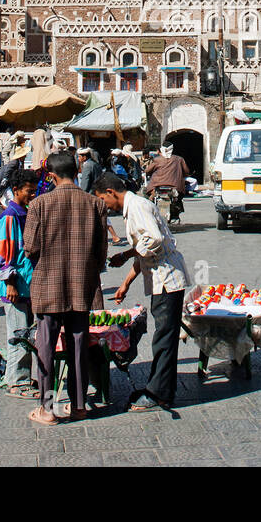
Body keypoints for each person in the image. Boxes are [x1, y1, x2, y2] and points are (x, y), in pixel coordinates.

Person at [22, 149, 108, 426]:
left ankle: (47, 409)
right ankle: (79, 405)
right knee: (79, 344)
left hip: (48, 284)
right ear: (77, 171)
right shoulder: (96, 204)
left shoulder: (39, 204)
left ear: (51, 176)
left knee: (45, 345)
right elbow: (101, 252)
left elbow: (30, 247)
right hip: (82, 285)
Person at [98, 172, 190, 412]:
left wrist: (128, 253)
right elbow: (144, 248)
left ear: (111, 192)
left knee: (164, 338)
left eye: (103, 200)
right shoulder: (133, 207)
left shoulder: (137, 206)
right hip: (160, 278)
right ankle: (158, 387)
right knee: (164, 336)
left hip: (167, 278)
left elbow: (154, 240)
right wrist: (126, 281)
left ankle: (159, 393)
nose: (104, 206)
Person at [0, 169, 41, 398]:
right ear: (16, 190)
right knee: (18, 333)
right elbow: (3, 253)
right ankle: (17, 382)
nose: (32, 195)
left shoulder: (24, 212)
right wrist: (10, 282)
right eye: (28, 191)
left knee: (25, 332)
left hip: (25, 283)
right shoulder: (10, 216)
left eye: (34, 190)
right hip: (15, 284)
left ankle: (19, 376)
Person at [145, 143, 189, 224]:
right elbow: (186, 172)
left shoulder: (157, 159)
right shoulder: (179, 159)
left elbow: (147, 171)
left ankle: (150, 214)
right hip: (175, 187)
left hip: (157, 186)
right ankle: (175, 215)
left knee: (148, 197)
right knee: (179, 198)